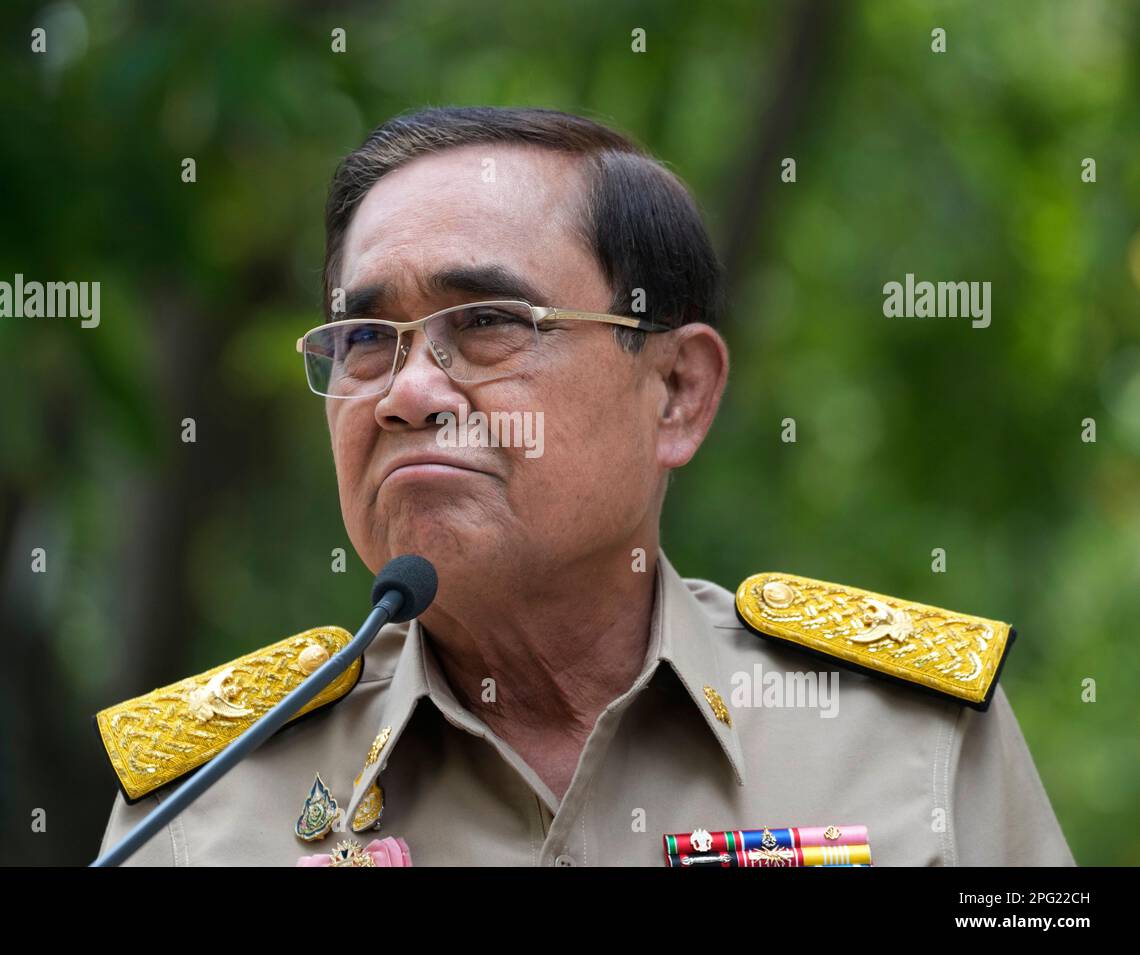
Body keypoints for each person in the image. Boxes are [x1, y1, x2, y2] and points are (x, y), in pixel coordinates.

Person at [95, 107, 1074, 867]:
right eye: (363, 339)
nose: (405, 393)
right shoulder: (207, 796)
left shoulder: (911, 741)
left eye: (484, 322)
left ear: (677, 391)